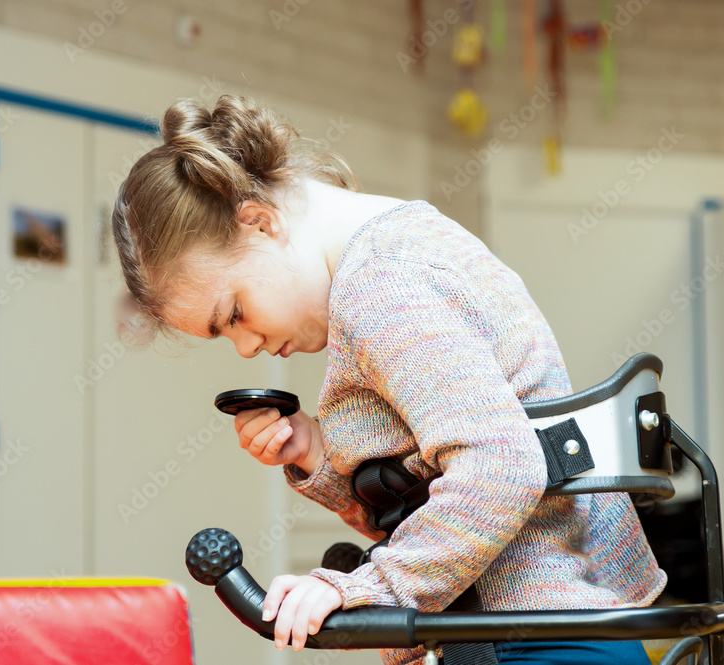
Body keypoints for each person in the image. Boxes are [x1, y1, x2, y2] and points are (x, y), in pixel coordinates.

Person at [110, 95, 665, 665]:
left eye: (233, 315)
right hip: (545, 626)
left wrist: (360, 588)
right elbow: (431, 481)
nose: (247, 346)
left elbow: (501, 465)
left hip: (530, 639)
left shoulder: (381, 284)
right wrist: (314, 451)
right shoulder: (403, 242)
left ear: (258, 220)